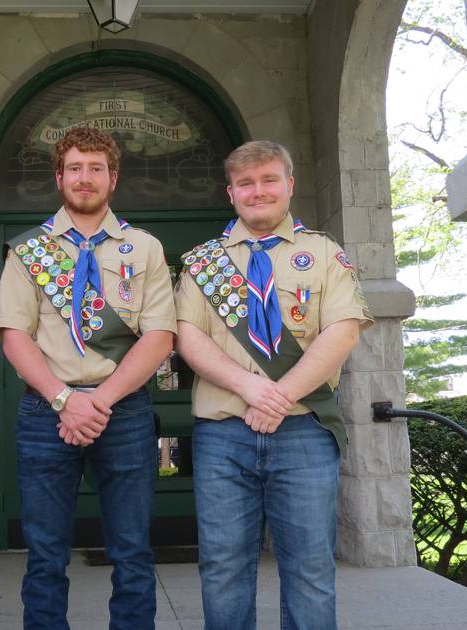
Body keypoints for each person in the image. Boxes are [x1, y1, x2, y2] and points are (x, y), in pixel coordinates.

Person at [174, 140, 372, 630]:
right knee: (223, 569)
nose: (257, 191)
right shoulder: (203, 262)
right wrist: (251, 388)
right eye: (246, 183)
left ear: (289, 184)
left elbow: (342, 331)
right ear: (231, 192)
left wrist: (279, 398)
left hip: (303, 431)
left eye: (267, 180)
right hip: (223, 434)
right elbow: (187, 337)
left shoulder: (324, 254)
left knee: (309, 570)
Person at [0, 126, 176, 630]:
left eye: (96, 168)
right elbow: (14, 336)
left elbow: (159, 337)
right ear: (59, 177)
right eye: (74, 168)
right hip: (45, 412)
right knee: (46, 554)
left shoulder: (144, 249)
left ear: (112, 178)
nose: (85, 178)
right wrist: (64, 400)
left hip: (125, 412)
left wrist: (97, 402)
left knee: (132, 551)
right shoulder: (29, 251)